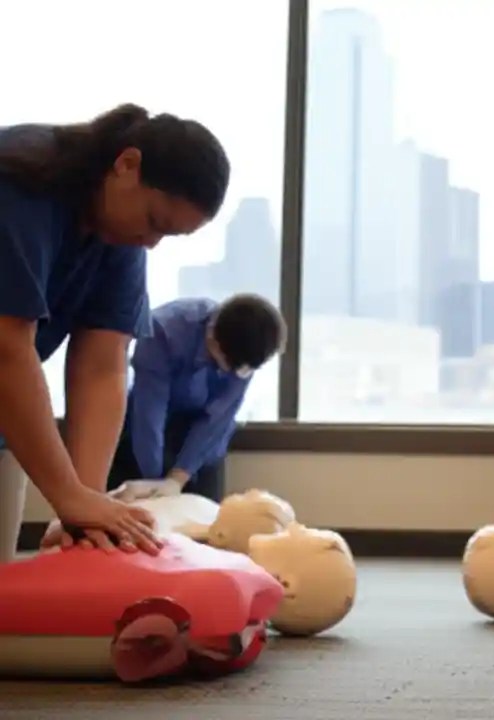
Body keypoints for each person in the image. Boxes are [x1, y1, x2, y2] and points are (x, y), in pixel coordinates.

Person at [0, 103, 230, 559]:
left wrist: (84, 501)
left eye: (168, 237)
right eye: (155, 223)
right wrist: (66, 494)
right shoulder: (19, 183)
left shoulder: (120, 236)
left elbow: (102, 366)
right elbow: (6, 345)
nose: (151, 243)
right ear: (126, 165)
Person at [105, 294, 286, 504]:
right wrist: (153, 483)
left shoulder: (248, 348)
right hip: (144, 433)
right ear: (213, 341)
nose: (236, 373)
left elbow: (216, 419)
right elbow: (149, 415)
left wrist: (177, 480)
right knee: (135, 515)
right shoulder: (164, 331)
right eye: (230, 365)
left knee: (204, 522)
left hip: (201, 443)